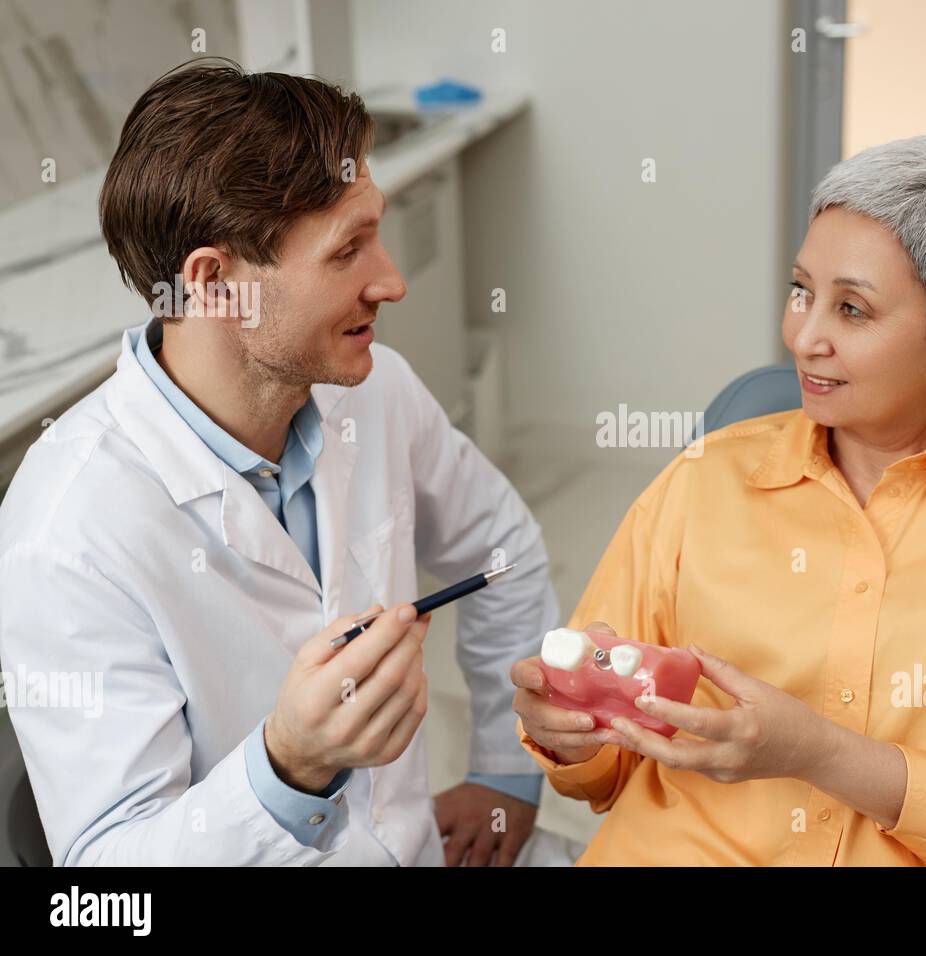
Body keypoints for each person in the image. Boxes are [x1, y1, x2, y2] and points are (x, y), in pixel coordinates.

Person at [512, 134, 926, 865]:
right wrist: (570, 734)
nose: (803, 336)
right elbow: (604, 770)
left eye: (852, 310)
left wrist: (822, 754)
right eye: (800, 292)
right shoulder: (703, 479)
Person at [0, 60, 557, 866]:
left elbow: (499, 550)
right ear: (217, 283)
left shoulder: (374, 391)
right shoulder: (65, 533)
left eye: (379, 231)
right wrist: (288, 768)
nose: (391, 281)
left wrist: (508, 774)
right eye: (348, 251)